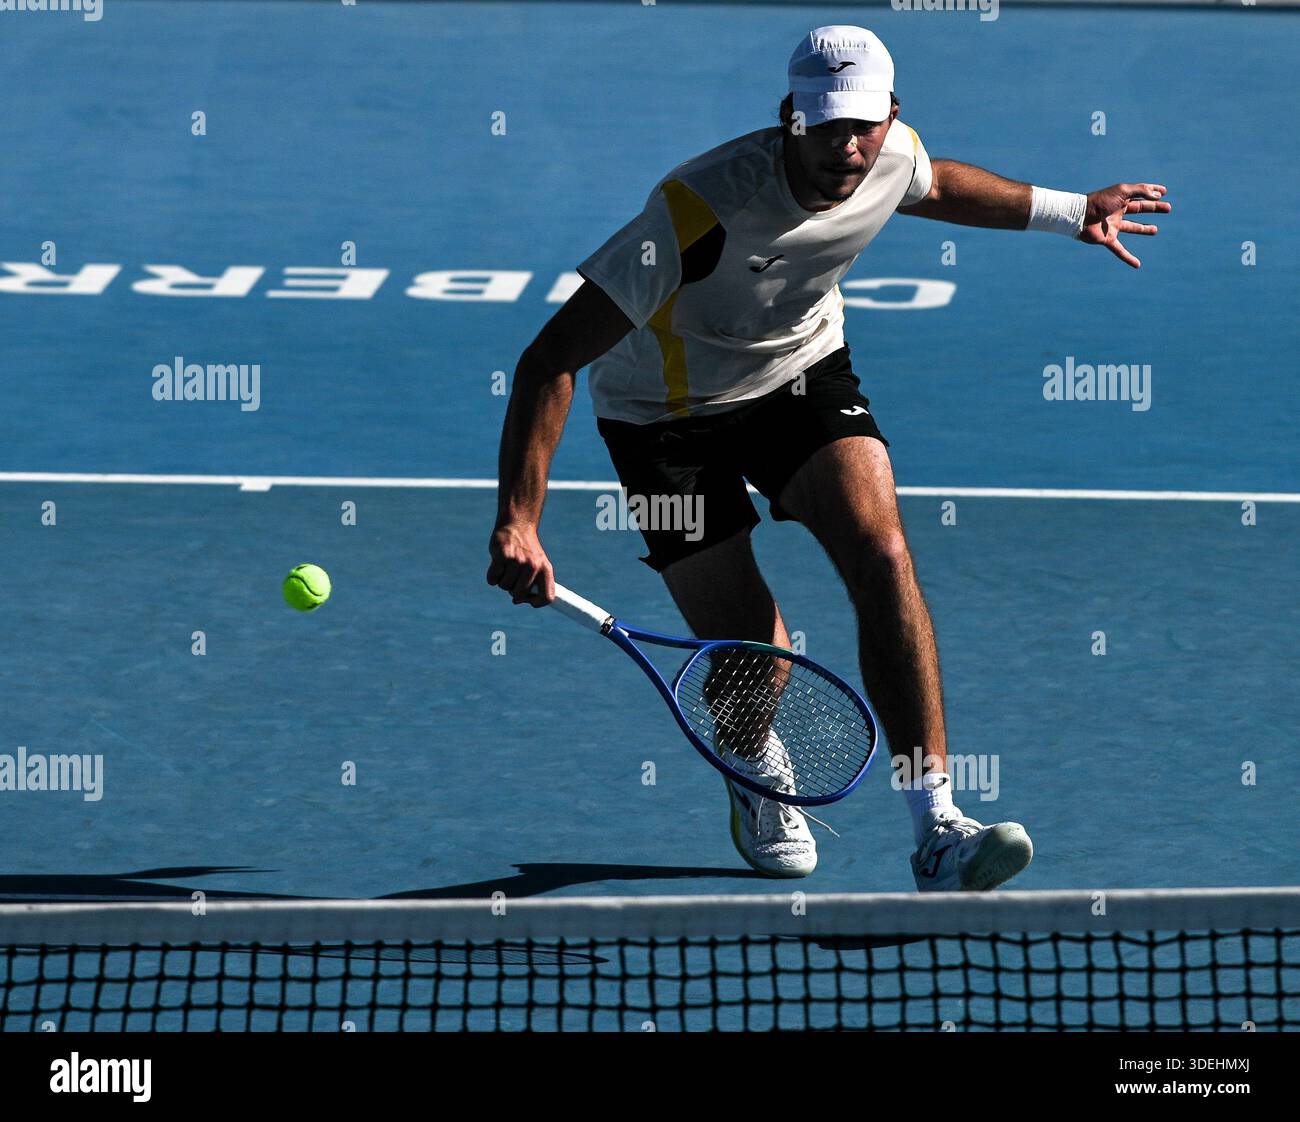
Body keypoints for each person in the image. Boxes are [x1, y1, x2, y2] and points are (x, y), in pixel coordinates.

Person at [486, 25, 1170, 889]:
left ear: (890, 115)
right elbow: (551, 357)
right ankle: (754, 769)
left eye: (864, 125)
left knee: (883, 553)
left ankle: (937, 826)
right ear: (789, 119)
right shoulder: (699, 210)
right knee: (752, 658)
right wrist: (519, 519)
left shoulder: (890, 152)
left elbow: (937, 183)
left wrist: (1074, 212)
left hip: (799, 375)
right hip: (663, 418)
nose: (847, 146)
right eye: (824, 126)